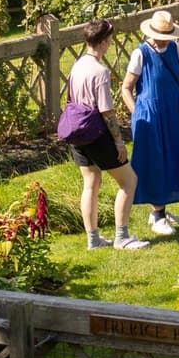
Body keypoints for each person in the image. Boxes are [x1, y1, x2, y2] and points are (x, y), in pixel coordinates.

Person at [121, 9, 179, 235]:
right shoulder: (141, 54)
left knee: (174, 155)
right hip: (152, 112)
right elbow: (126, 88)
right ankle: (157, 214)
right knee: (155, 159)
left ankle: (161, 209)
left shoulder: (174, 49)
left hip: (174, 110)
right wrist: (137, 113)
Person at [66, 19, 147, 250]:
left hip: (77, 132)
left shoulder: (78, 64)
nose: (110, 43)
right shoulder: (100, 71)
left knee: (91, 182)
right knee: (129, 181)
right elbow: (107, 112)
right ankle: (122, 238)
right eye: (109, 40)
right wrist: (119, 142)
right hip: (96, 133)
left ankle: (94, 240)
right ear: (102, 42)